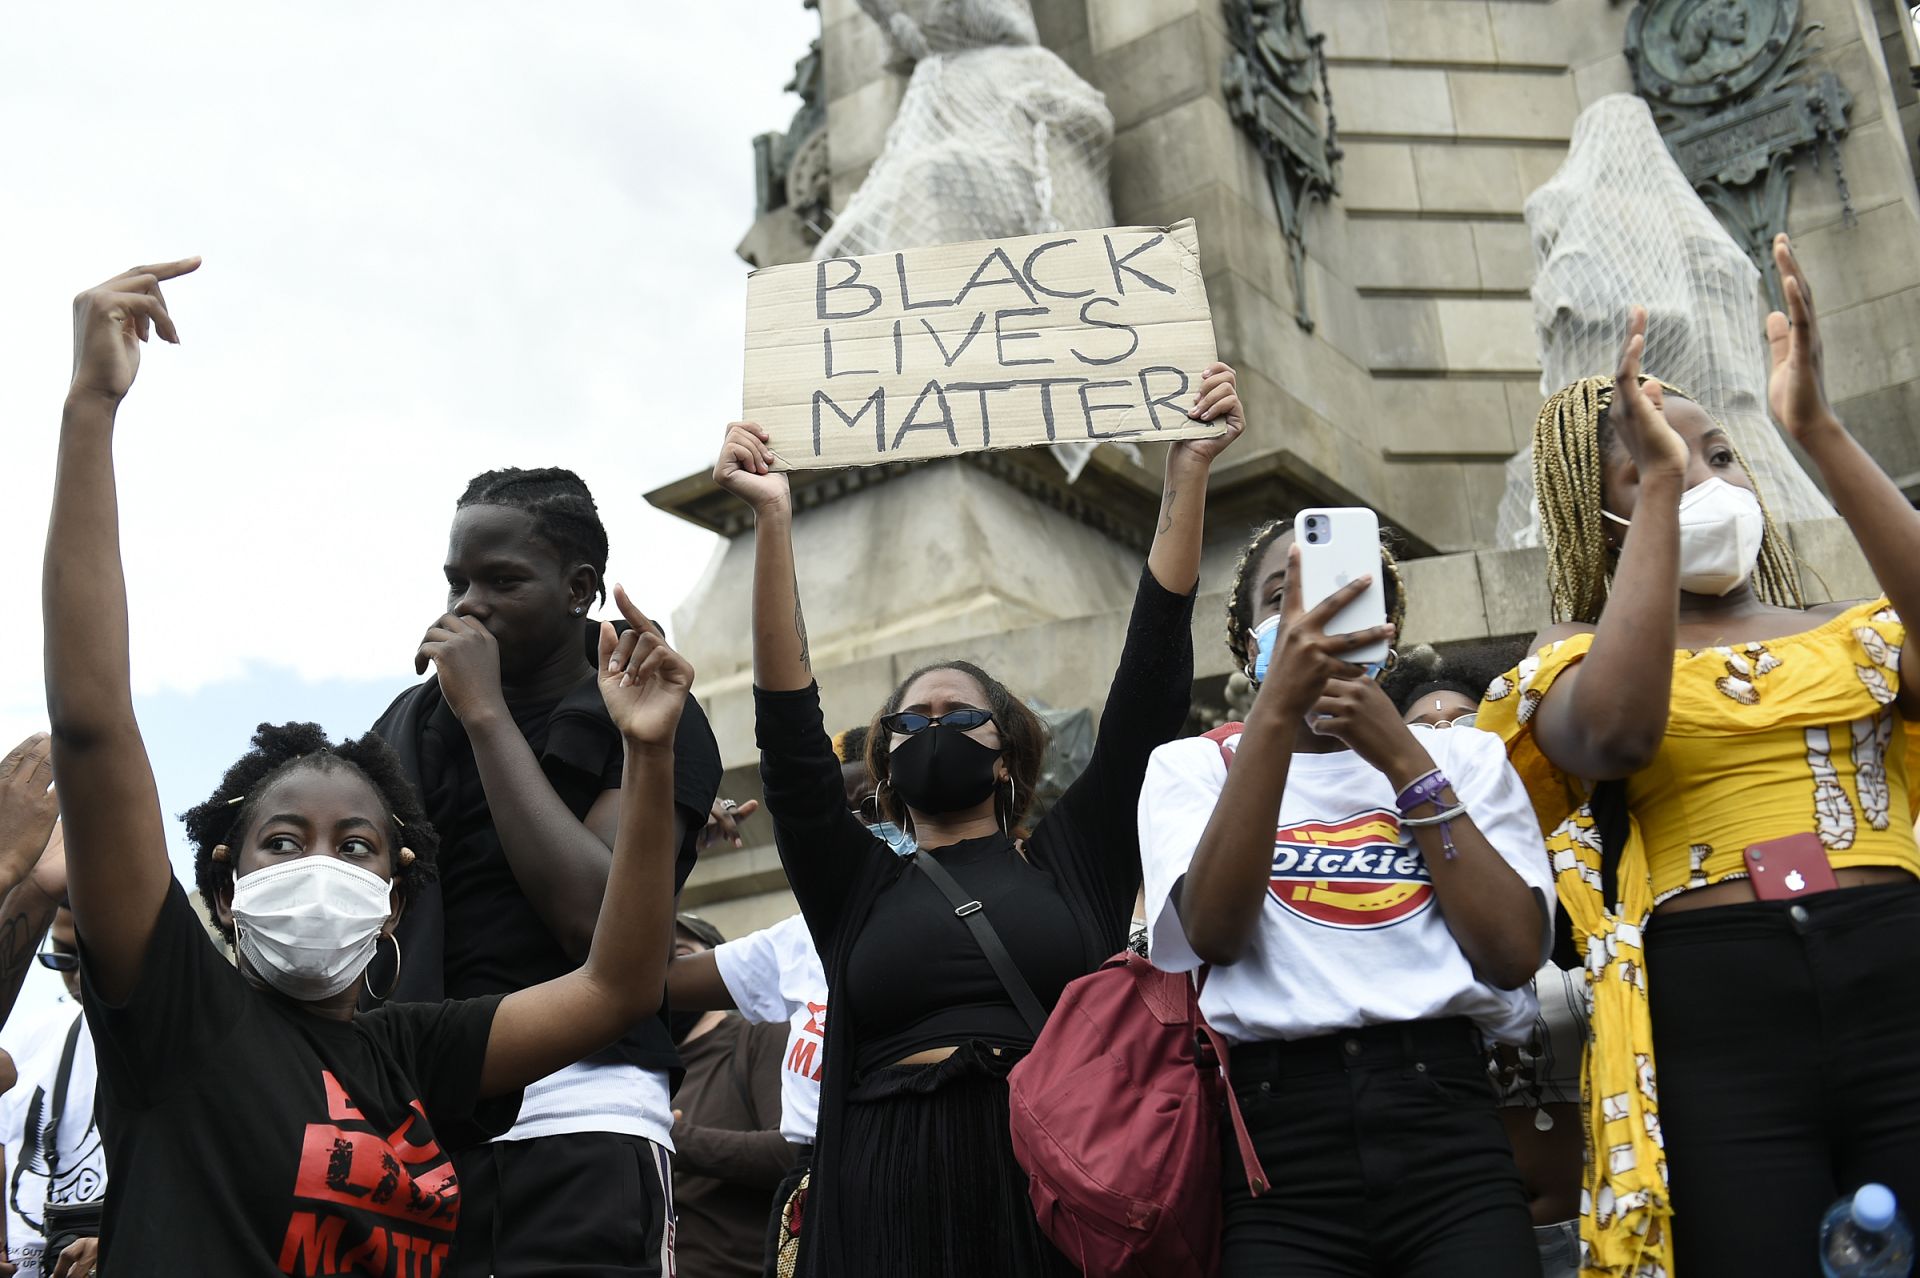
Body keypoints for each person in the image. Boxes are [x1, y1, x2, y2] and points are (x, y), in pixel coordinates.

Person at [42, 258, 695, 1271]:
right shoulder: (177, 1009)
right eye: (284, 840)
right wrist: (91, 410)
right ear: (225, 880)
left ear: (397, 899)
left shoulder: (409, 1055)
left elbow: (615, 983)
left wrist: (648, 759)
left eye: (358, 845)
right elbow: (94, 723)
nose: (322, 865)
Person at [715, 362, 1245, 1276]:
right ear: (885, 766)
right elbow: (789, 734)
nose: (932, 727)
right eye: (909, 721)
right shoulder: (853, 886)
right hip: (886, 1194)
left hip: (1049, 1183)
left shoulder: (1074, 861)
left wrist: (1187, 472)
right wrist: (770, 519)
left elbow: (1149, 691)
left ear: (1007, 757)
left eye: (960, 714)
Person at [1480, 236, 1920, 1276]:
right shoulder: (1568, 659)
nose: (1700, 473)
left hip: (1896, 961)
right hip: (1719, 1006)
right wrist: (1670, 507)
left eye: (1718, 454)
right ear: (1603, 511)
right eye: (1652, 462)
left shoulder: (1852, 628)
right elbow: (1620, 737)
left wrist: (1816, 429)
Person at [1141, 518, 1553, 1276]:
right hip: (1279, 1149)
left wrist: (1402, 757)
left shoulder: (1465, 753)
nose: (1310, 620)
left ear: (1386, 635)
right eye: (1281, 600)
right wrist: (1273, 719)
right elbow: (1215, 933)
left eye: (1337, 597)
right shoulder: (1190, 768)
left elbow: (1513, 953)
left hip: (1446, 1127)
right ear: (1245, 639)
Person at [371, 464, 723, 1277]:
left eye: (501, 581)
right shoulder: (410, 724)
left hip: (581, 1117)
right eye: (457, 581)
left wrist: (487, 716)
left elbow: (594, 921)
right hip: (421, 1120)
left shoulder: (651, 718)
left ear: (578, 588)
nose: (467, 606)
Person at [1384, 644, 1588, 1278]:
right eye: (1423, 727)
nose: (1446, 732)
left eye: (1464, 719)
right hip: (1456, 1237)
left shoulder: (1577, 867)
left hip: (1604, 1224)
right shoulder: (1393, 899)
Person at [666, 915, 794, 1278]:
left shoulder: (758, 1036)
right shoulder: (636, 1070)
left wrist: (669, 1138)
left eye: (679, 955)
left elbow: (793, 1154)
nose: (663, 973)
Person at [0, 897, 105, 1278]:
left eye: (94, 957)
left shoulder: (194, 1040)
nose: (78, 979)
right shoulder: (30, 1037)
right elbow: (6, 1141)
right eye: (63, 960)